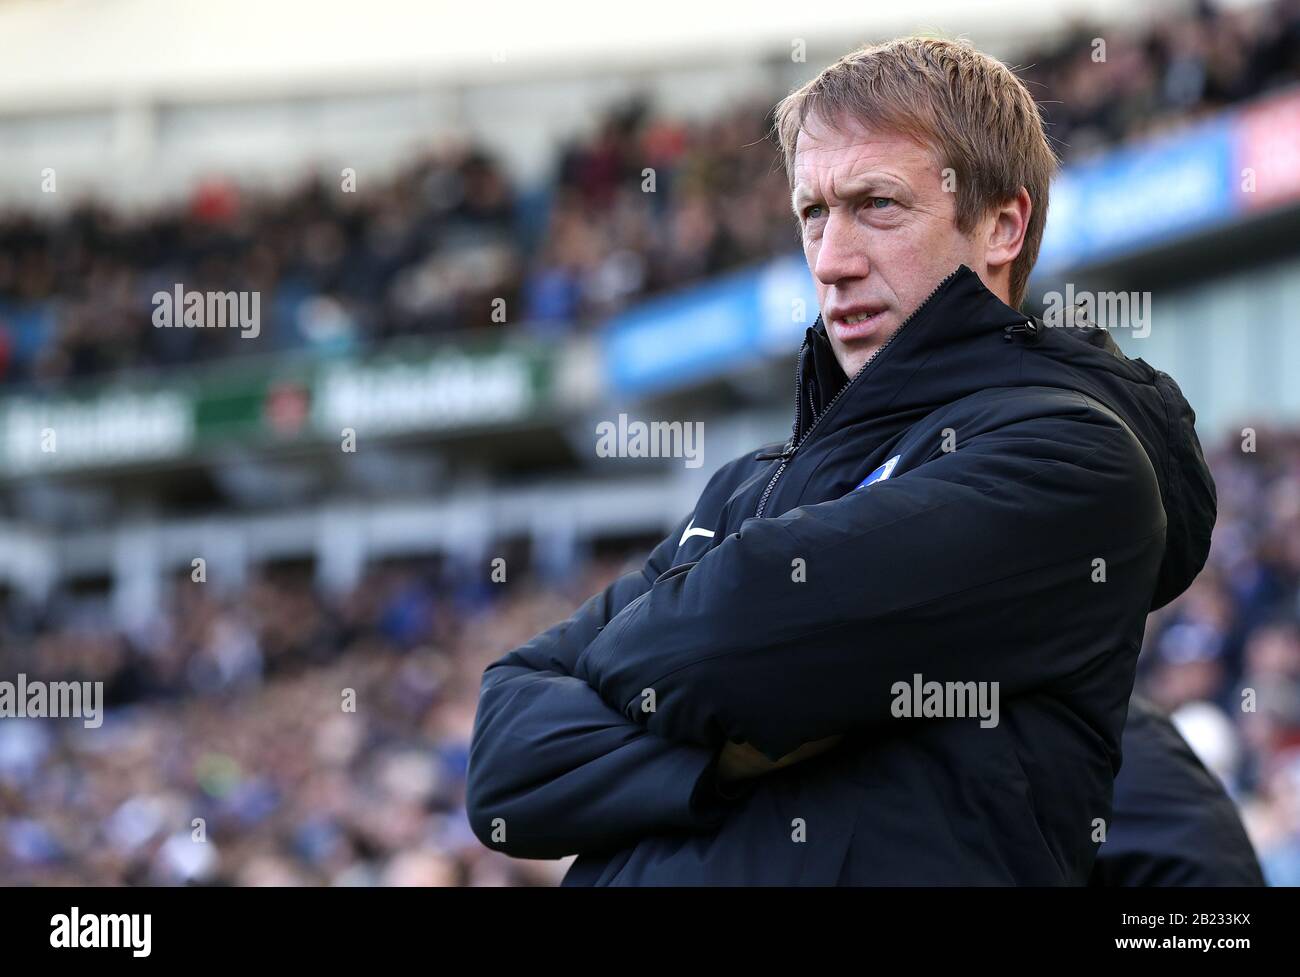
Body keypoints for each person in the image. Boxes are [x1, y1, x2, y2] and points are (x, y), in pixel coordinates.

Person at [467, 36, 1219, 884]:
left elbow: (731, 633)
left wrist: (623, 682)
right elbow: (504, 755)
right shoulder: (745, 484)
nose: (831, 261)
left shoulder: (1072, 458)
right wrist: (720, 757)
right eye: (813, 213)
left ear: (1002, 226)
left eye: (878, 205)